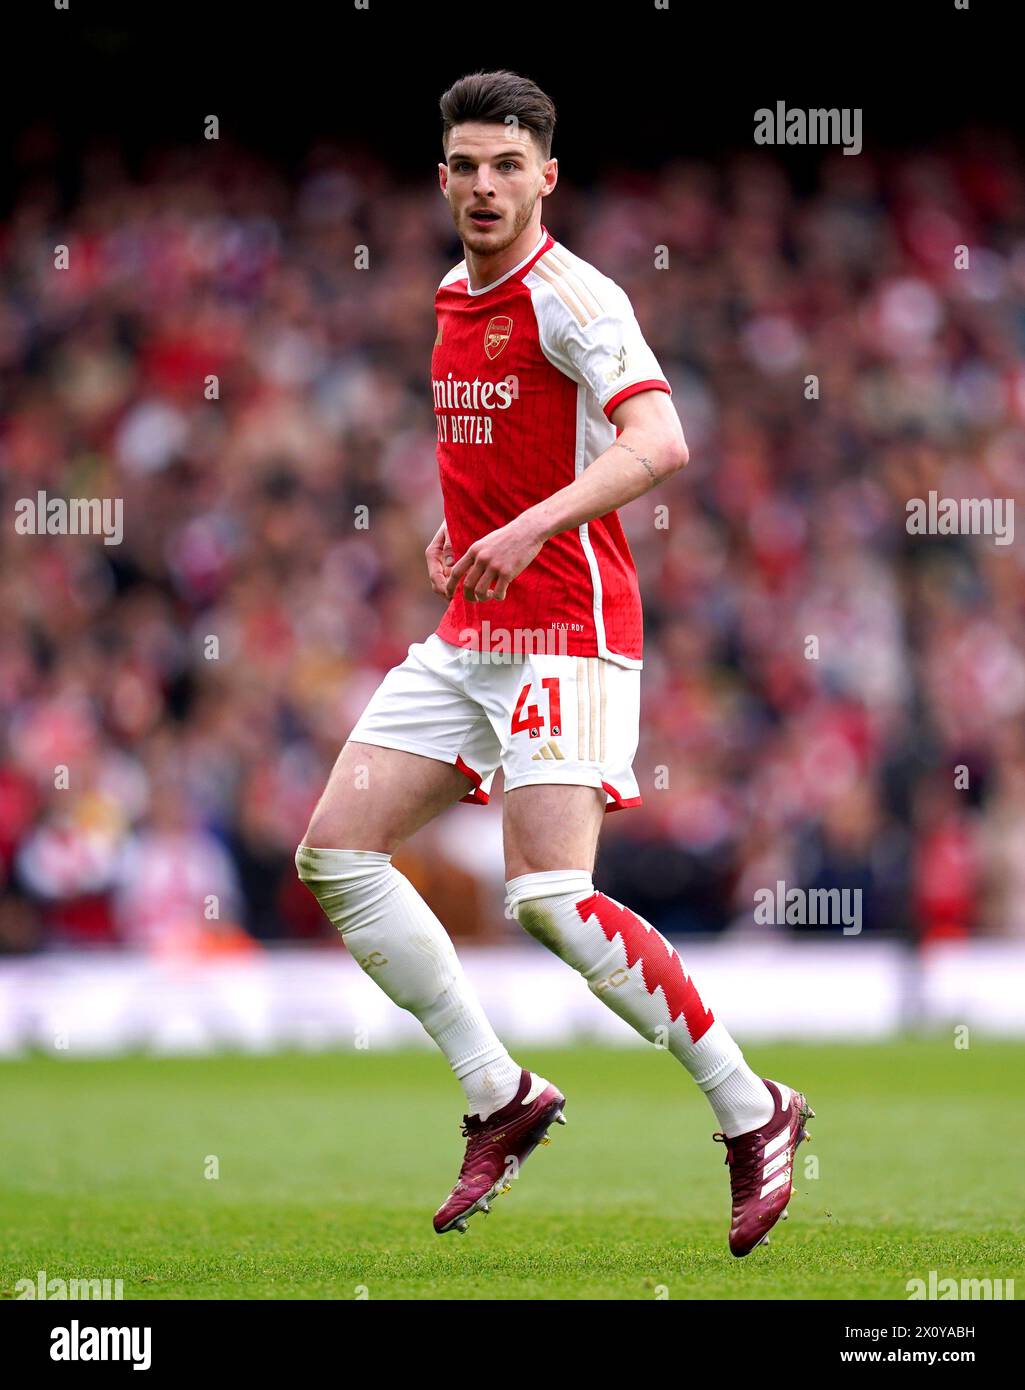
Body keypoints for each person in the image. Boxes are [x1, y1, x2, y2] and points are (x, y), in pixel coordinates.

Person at [295, 69, 813, 1255]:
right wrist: (461, 528)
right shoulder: (448, 295)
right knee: (334, 850)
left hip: (567, 627)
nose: (484, 185)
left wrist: (530, 527)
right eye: (465, 166)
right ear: (441, 179)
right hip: (472, 630)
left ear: (546, 178)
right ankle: (499, 1092)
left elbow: (659, 439)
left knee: (545, 898)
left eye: (506, 166)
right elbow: (501, 446)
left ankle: (751, 1106)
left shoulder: (573, 295)